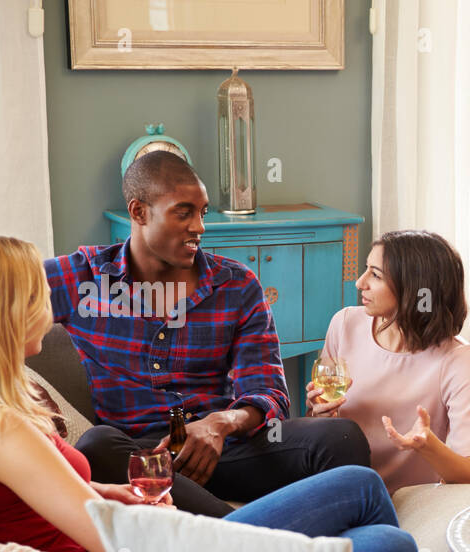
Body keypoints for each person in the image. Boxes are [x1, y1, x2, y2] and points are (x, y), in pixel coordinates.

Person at [0, 234, 419, 552]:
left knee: (372, 517)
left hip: (141, 549)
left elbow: (40, 505)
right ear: (6, 311)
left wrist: (105, 492)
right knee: (375, 518)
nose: (49, 306)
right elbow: (117, 537)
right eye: (36, 295)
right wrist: (173, 519)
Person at [43, 151, 370, 518]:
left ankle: (238, 539)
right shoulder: (83, 277)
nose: (199, 226)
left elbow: (270, 393)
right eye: (183, 212)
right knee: (96, 446)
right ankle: (245, 538)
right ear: (138, 212)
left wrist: (220, 423)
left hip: (226, 450)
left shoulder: (237, 285)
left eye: (202, 212)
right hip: (144, 461)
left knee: (341, 437)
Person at [306, 230, 470, 493]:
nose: (360, 282)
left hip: (404, 502)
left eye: (376, 275)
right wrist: (317, 413)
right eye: (366, 270)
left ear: (414, 287)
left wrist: (428, 445)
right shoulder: (345, 323)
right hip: (337, 488)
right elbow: (316, 428)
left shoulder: (459, 361)